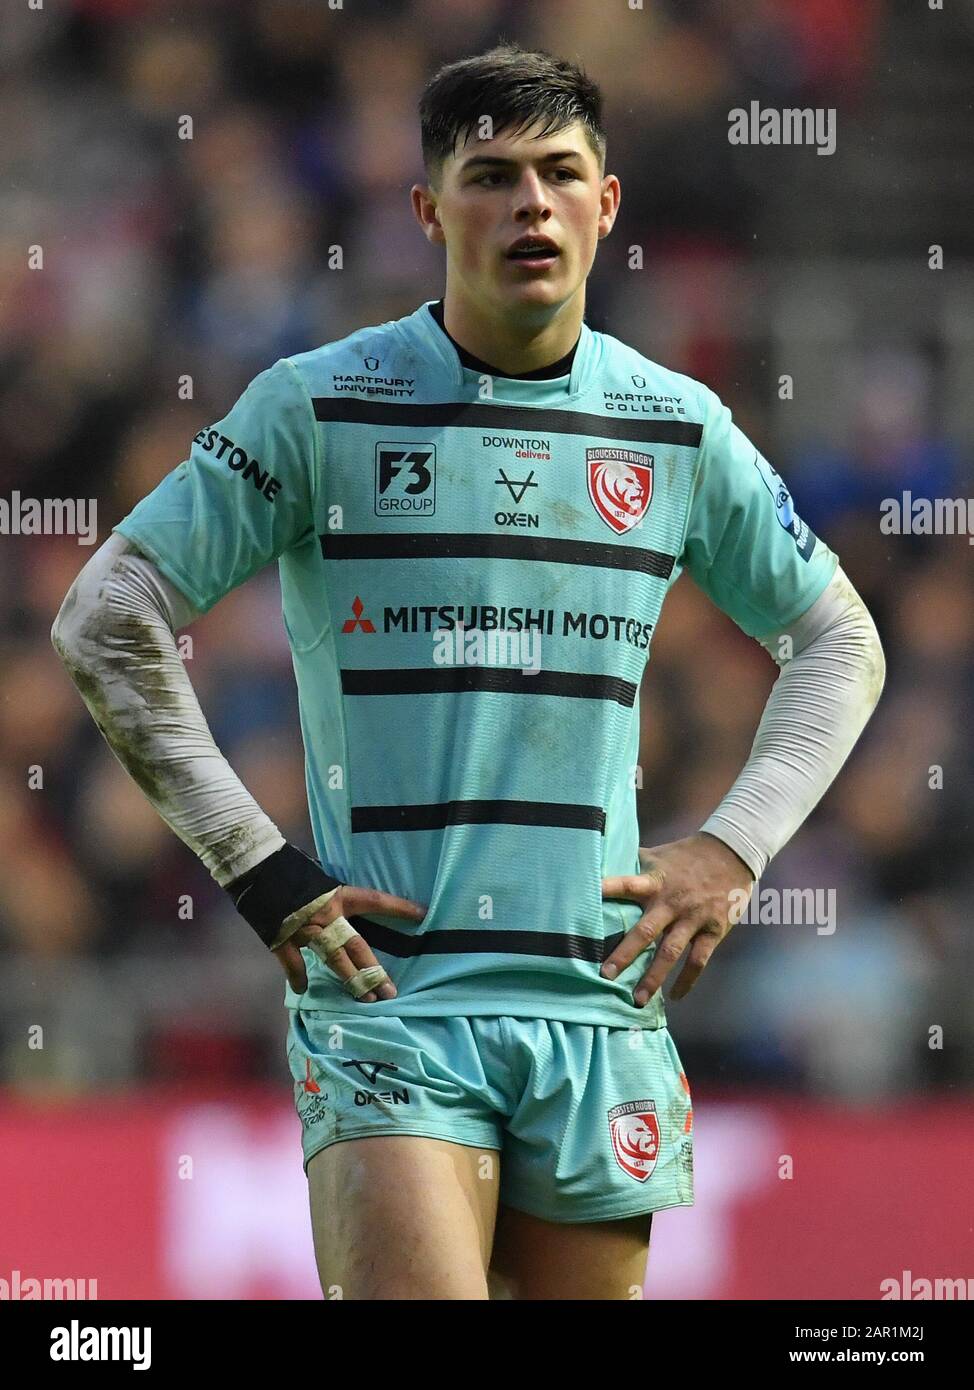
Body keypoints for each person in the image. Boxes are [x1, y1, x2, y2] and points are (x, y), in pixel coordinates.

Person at [51, 43, 885, 1300]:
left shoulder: (673, 426)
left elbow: (841, 639)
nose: (528, 205)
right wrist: (254, 862)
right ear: (427, 210)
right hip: (393, 1000)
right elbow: (107, 612)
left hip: (599, 1003)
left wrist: (733, 848)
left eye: (558, 174)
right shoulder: (318, 408)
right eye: (489, 177)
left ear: (606, 205)